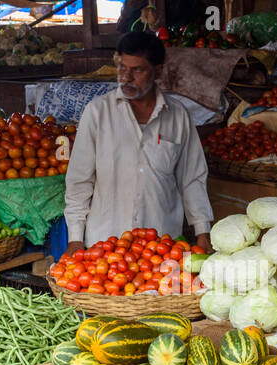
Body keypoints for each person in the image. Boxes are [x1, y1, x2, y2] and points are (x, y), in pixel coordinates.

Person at [64, 30, 213, 257]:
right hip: (105, 247)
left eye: (137, 70)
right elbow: (79, 180)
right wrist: (75, 237)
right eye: (122, 68)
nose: (126, 77)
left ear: (158, 71)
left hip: (161, 247)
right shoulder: (98, 112)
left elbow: (192, 179)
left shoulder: (178, 116)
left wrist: (203, 233)